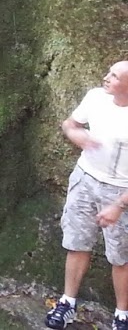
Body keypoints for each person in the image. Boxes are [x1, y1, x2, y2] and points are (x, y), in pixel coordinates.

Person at [44, 61, 128, 330]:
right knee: (77, 242)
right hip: (85, 178)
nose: (106, 78)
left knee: (120, 256)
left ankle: (121, 316)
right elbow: (70, 123)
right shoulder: (95, 98)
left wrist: (119, 205)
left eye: (114, 76)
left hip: (121, 190)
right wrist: (75, 134)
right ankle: (68, 303)